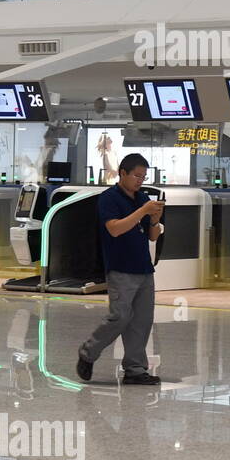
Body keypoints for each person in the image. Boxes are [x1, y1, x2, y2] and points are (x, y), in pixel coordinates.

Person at [76, 154, 164, 386]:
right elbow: (115, 229)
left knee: (142, 321)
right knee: (120, 317)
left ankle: (135, 369)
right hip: (120, 268)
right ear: (122, 173)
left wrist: (154, 220)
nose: (140, 181)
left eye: (144, 177)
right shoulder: (109, 199)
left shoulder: (142, 198)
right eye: (136, 176)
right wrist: (143, 212)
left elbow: (152, 236)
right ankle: (88, 352)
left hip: (144, 268)